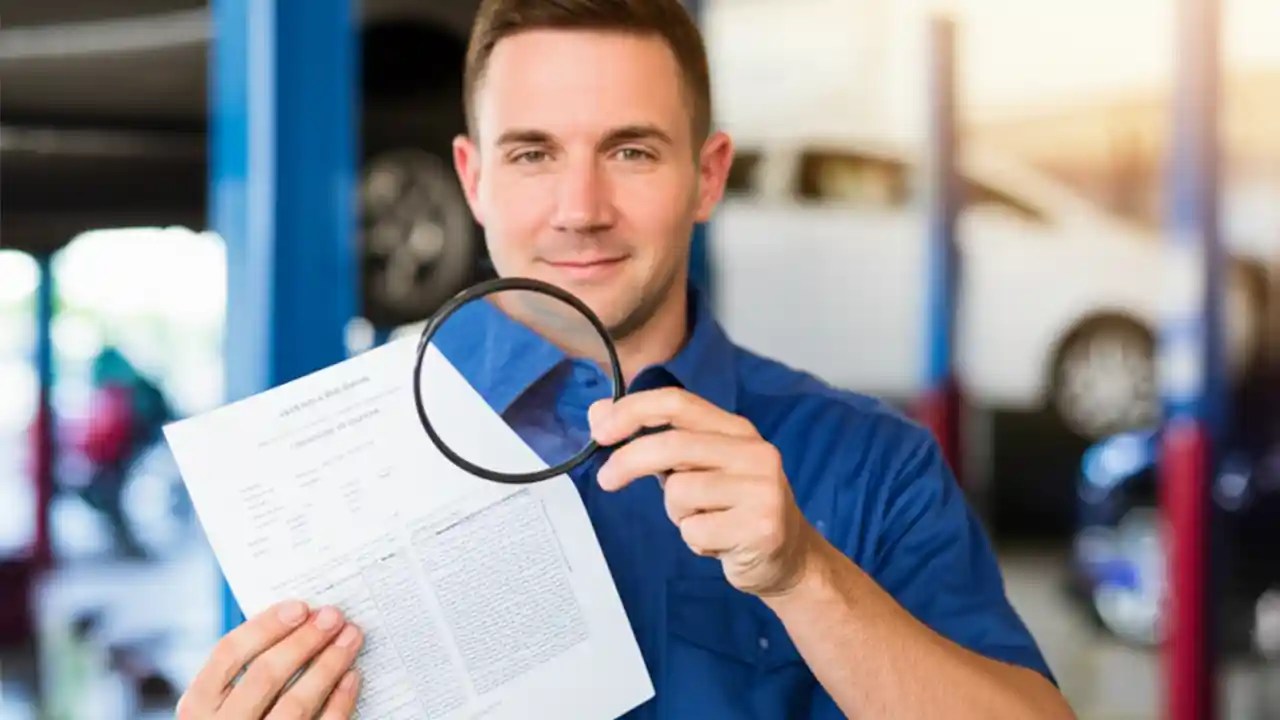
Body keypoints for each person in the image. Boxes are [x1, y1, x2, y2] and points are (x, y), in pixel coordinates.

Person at [178, 1, 1076, 717]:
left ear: (709, 175)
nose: (581, 207)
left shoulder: (871, 462)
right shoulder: (321, 468)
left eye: (631, 150)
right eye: (533, 153)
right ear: (473, 178)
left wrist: (806, 577)